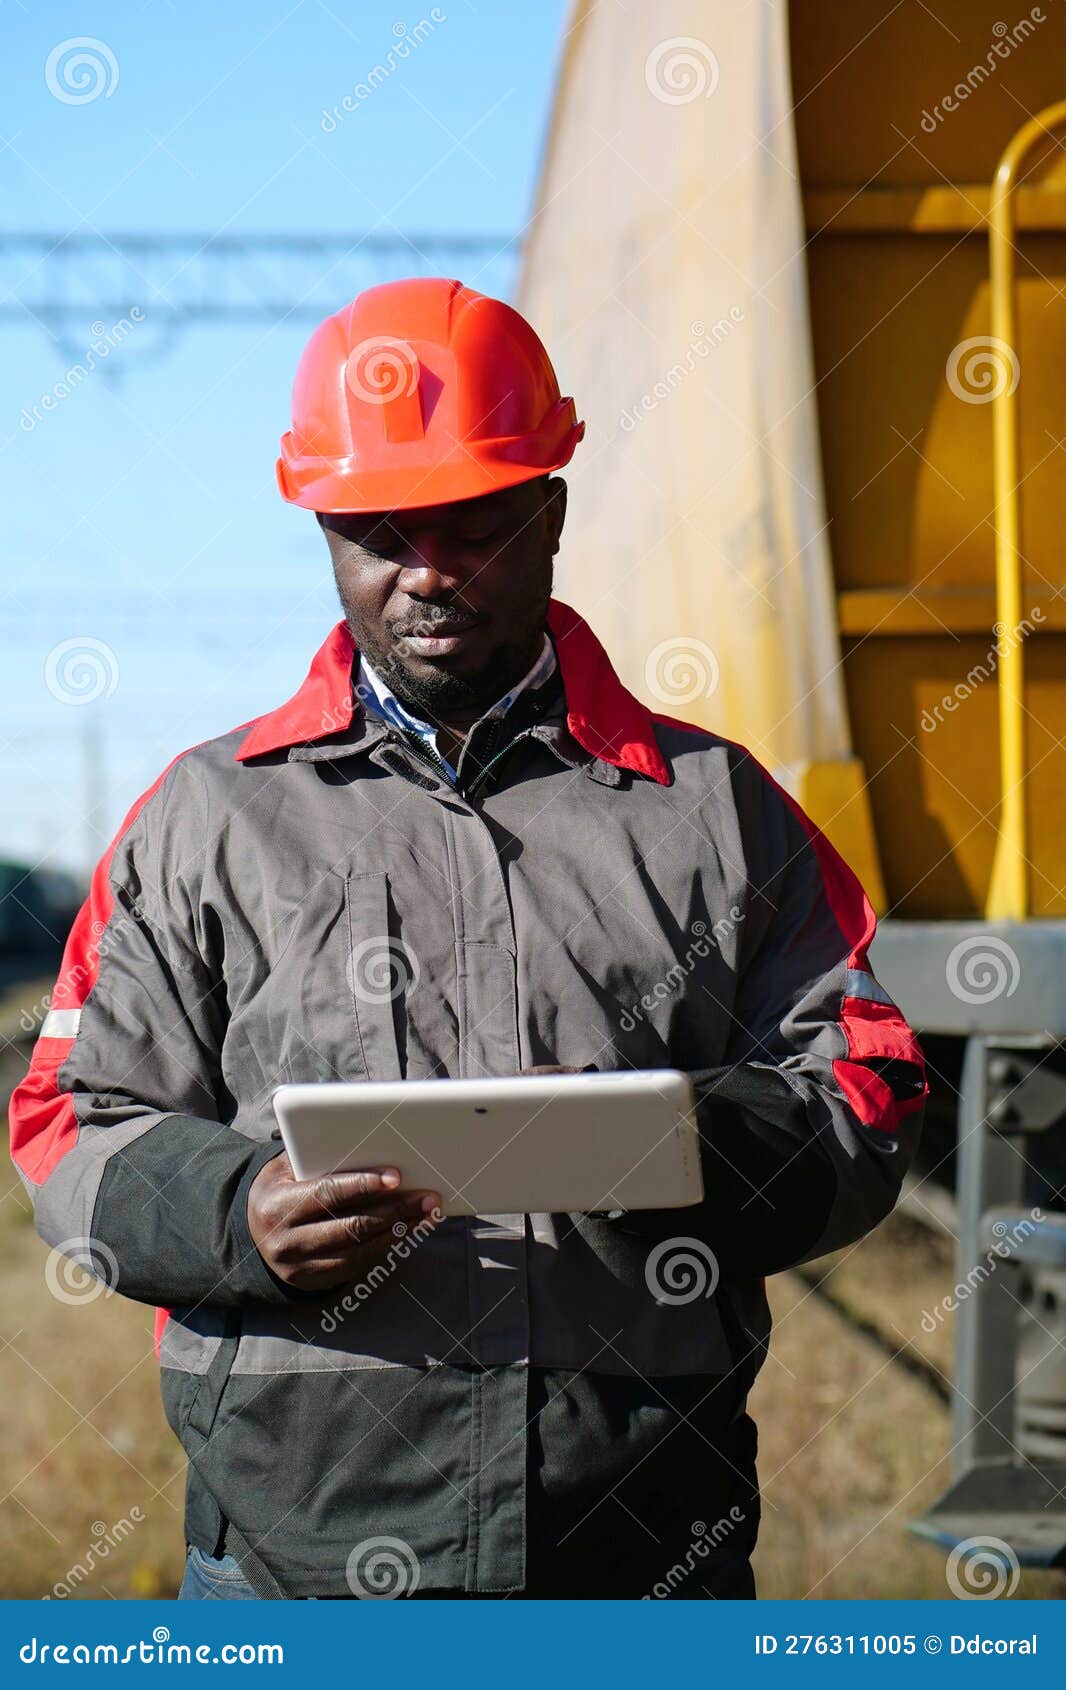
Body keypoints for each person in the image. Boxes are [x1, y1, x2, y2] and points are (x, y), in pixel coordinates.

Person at [10, 278, 927, 1601]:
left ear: (549, 510)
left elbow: (864, 1083)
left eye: (473, 523)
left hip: (635, 1554)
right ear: (324, 528)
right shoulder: (205, 818)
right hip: (294, 1563)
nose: (427, 571)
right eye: (379, 530)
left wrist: (675, 1145)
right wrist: (239, 1210)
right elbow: (64, 1119)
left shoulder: (715, 811)